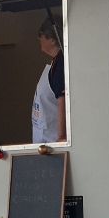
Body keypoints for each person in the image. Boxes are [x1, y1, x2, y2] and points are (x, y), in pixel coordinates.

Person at [32, 16, 66, 144]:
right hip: (43, 140)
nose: (38, 39)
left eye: (41, 35)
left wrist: (62, 137)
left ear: (52, 39)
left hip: (52, 141)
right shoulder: (54, 63)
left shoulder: (60, 63)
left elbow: (62, 98)